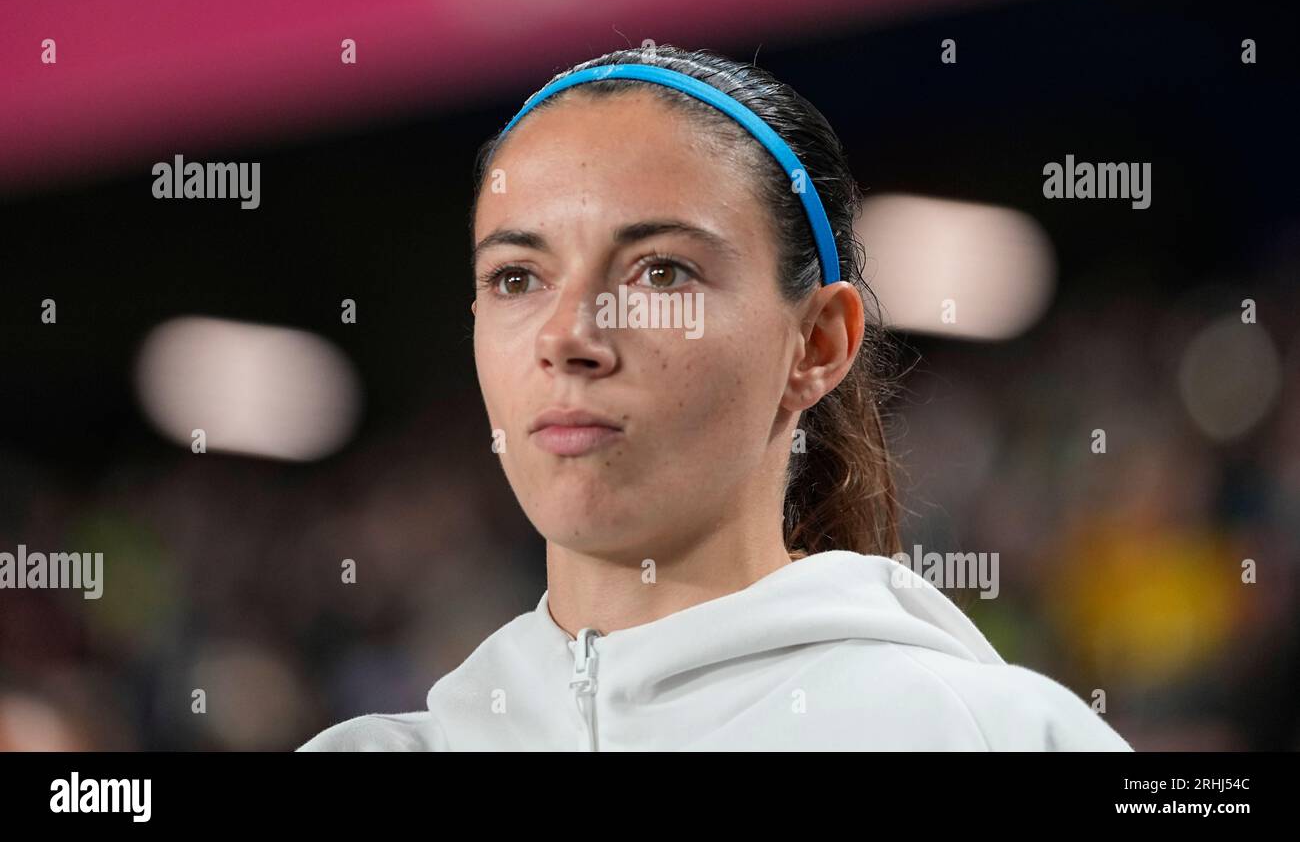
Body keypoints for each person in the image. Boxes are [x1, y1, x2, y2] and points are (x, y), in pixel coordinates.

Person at [298, 45, 1132, 751]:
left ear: (816, 345)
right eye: (518, 277)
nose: (569, 336)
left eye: (662, 270)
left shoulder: (997, 735)